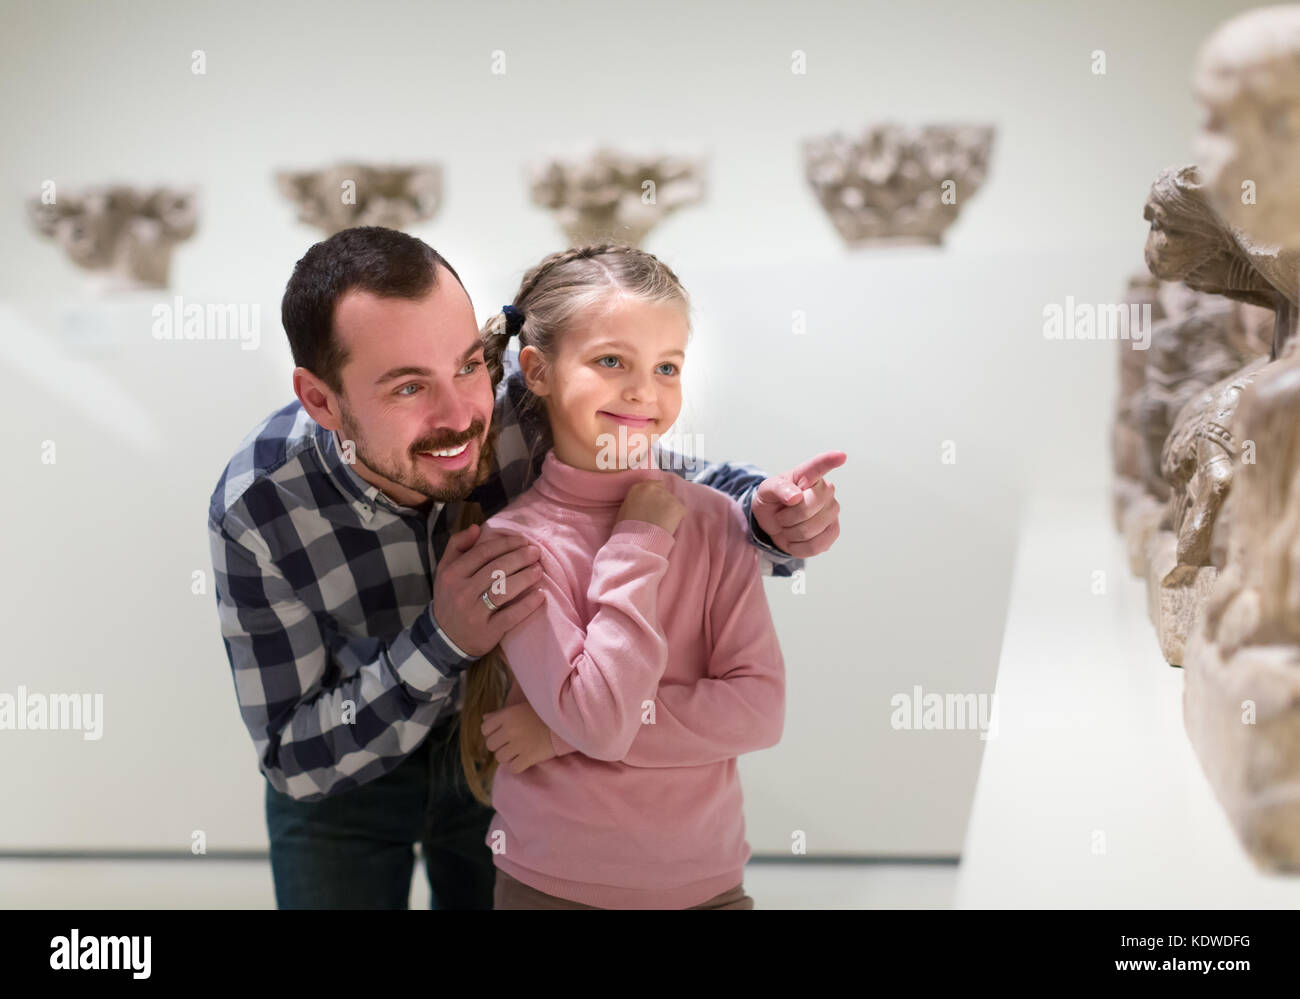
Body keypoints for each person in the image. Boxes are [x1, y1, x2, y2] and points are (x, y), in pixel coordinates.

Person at [206, 226, 844, 909]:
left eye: (466, 365)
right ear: (322, 400)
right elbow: (292, 758)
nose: (460, 414)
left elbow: (663, 479)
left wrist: (766, 517)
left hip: (512, 754)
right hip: (354, 774)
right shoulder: (259, 507)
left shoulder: (526, 405)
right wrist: (443, 639)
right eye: (407, 388)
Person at [455, 244, 802, 909]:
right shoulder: (512, 544)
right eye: (611, 360)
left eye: (667, 366)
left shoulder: (713, 521)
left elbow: (760, 710)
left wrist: (558, 733)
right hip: (551, 890)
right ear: (538, 370)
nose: (644, 390)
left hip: (709, 889)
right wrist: (637, 542)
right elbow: (603, 718)